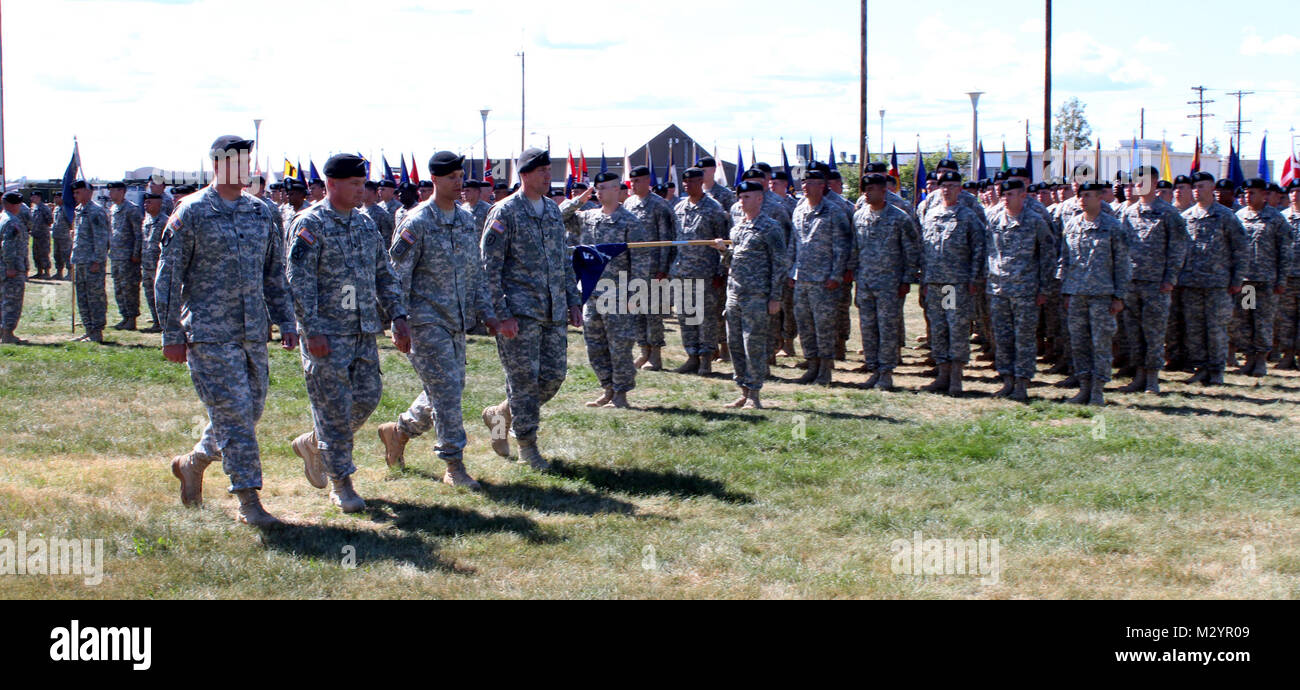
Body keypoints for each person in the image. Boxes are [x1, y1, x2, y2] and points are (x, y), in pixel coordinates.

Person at [157, 135, 299, 527]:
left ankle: (193, 463)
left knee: (248, 411)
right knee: (235, 415)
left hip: (253, 331)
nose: (246, 168)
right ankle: (248, 499)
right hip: (209, 332)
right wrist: (170, 332)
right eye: (238, 160)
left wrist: (286, 320)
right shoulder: (192, 212)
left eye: (249, 160)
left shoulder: (260, 212)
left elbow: (274, 273)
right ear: (218, 164)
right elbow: (169, 276)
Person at [286, 154, 409, 513]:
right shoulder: (310, 223)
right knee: (335, 409)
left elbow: (384, 272)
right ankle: (341, 482)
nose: (362, 191)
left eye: (363, 184)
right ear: (332, 184)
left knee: (369, 396)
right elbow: (299, 281)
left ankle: (317, 442)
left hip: (361, 329)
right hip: (326, 333)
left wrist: (398, 315)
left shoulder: (365, 224)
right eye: (355, 185)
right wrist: (311, 329)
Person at [378, 153, 498, 488]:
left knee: (447, 388)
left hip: (456, 321)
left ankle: (399, 431)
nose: (458, 183)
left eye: (461, 177)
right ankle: (453, 465)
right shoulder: (416, 222)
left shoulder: (464, 219)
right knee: (446, 389)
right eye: (451, 178)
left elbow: (475, 272)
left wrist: (486, 312)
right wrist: (397, 321)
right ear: (435, 180)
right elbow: (396, 276)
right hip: (424, 321)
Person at [479, 148, 583, 470]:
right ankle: (528, 446)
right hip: (519, 313)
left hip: (552, 309)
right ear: (524, 174)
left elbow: (563, 261)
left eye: (549, 170)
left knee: (553, 377)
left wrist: (573, 301)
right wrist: (501, 314)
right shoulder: (505, 212)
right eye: (541, 171)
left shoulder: (552, 211)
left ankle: (500, 416)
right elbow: (488, 268)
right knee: (524, 382)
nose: (548, 176)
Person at [562, 172, 650, 408]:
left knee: (619, 346)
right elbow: (560, 217)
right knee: (595, 345)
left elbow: (641, 261)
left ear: (617, 190)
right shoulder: (588, 217)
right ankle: (607, 388)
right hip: (592, 293)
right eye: (596, 188)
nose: (599, 193)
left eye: (603, 188)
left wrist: (636, 295)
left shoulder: (630, 222)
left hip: (619, 294)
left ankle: (621, 393)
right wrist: (580, 199)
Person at [1058, 182, 1130, 405]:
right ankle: (1084, 388)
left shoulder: (1112, 226)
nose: (1082, 199)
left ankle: (1098, 390)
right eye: (1080, 195)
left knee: (1101, 343)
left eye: (1088, 195)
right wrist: (1066, 291)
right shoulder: (1071, 225)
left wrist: (1119, 296)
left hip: (1102, 295)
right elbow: (1066, 260)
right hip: (1077, 294)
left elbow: (1122, 264)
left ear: (1100, 197)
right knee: (1079, 343)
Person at [1117, 166, 1187, 394]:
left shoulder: (1168, 213)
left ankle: (1152, 378)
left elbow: (1177, 249)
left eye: (1143, 180)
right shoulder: (1128, 212)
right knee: (1134, 331)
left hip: (1156, 284)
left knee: (1154, 332)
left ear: (1155, 183)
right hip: (1131, 282)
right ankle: (1139, 375)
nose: (1137, 184)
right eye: (1136, 180)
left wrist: (1170, 278)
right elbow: (1120, 248)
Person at [715, 181, 784, 409]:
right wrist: (724, 252)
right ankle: (743, 390)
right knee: (735, 344)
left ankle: (754, 393)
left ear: (759, 199)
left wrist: (775, 296)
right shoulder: (737, 228)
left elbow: (779, 264)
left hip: (757, 296)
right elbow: (731, 263)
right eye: (740, 197)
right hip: (734, 294)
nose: (742, 201)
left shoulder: (770, 228)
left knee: (752, 345)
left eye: (747, 197)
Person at [985, 180, 1055, 401]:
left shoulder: (1035, 221)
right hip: (999, 289)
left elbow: (1048, 256)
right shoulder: (994, 219)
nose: (1006, 198)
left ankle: (1022, 383)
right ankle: (1007, 380)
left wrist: (1044, 288)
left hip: (1026, 290)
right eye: (1004, 194)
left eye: (1012, 194)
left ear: (1023, 196)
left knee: (1024, 338)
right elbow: (987, 252)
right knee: (1002, 337)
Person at [849, 174, 919, 391]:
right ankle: (873, 369)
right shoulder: (859, 216)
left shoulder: (899, 218)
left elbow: (911, 250)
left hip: (890, 283)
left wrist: (907, 279)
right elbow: (855, 249)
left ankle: (886, 372)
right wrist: (855, 277)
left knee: (887, 329)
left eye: (872, 189)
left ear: (884, 191)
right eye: (865, 189)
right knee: (868, 328)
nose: (867, 193)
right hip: (866, 282)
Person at [1180, 172, 1249, 386]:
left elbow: (1241, 249)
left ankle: (1217, 370)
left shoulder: (1226, 216)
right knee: (1195, 329)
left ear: (1211, 189)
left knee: (1216, 328)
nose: (1196, 190)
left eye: (1201, 186)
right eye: (1195, 187)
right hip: (1192, 284)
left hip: (1218, 285)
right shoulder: (1187, 217)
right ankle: (1201, 368)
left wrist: (1237, 280)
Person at [919, 171, 985, 395]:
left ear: (960, 188)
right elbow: (925, 250)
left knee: (955, 328)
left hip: (954, 284)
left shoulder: (967, 216)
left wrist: (974, 278)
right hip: (935, 282)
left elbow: (978, 249)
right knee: (938, 329)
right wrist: (925, 278)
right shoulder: (931, 215)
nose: (946, 189)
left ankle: (956, 378)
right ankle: (942, 374)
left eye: (951, 185)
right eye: (943, 185)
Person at [789, 168, 851, 385]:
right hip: (802, 278)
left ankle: (825, 368)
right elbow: (793, 243)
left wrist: (836, 275)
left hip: (824, 280)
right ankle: (811, 365)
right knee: (805, 325)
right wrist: (791, 271)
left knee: (824, 326)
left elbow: (842, 247)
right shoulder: (799, 210)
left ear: (822, 185)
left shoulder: (833, 211)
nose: (805, 186)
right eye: (804, 182)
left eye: (811, 182)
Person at [669, 167, 729, 375]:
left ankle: (706, 359)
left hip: (706, 273)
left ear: (701, 181)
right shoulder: (679, 208)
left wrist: (720, 272)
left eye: (692, 181)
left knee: (705, 318)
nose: (687, 185)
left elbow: (724, 243)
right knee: (686, 317)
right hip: (682, 271)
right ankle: (692, 356)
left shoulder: (713, 208)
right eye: (685, 182)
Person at [1231, 178, 1292, 377]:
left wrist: (1281, 280)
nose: (1248, 197)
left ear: (1264, 195)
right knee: (1246, 319)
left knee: (1263, 321)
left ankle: (1261, 361)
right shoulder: (1239, 216)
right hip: (1246, 281)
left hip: (1266, 282)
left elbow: (1285, 252)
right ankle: (1249, 359)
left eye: (1253, 193)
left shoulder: (1275, 218)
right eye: (1246, 193)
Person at [622, 164, 679, 371]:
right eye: (632, 180)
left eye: (638, 181)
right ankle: (643, 351)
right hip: (633, 268)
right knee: (636, 310)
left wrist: (664, 268)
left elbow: (667, 240)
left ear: (648, 181)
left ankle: (656, 354)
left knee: (653, 312)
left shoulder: (659, 206)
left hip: (654, 268)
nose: (634, 184)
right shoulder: (628, 204)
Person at [70, 181, 110, 342]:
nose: (75, 195)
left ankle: (97, 331)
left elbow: (101, 239)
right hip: (80, 261)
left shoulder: (96, 212)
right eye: (74, 193)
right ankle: (88, 329)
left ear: (88, 192)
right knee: (82, 296)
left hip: (92, 262)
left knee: (95, 297)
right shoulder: (79, 210)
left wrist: (97, 261)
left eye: (78, 192)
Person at [106, 182, 144, 331]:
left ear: (122, 191)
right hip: (116, 256)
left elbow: (138, 234)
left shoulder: (131, 209)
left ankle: (132, 318)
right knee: (119, 288)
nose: (110, 194)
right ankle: (125, 316)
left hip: (128, 257)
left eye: (113, 191)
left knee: (130, 288)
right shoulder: (113, 208)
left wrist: (136, 253)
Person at [1277, 180, 1300, 369]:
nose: (1295, 195)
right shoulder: (1281, 218)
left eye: (1299, 191)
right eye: (1292, 191)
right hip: (1286, 277)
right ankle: (1287, 355)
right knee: (1286, 319)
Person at [1, 192, 29, 344]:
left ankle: (3, 332)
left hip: (2, 267)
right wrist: (11, 266)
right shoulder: (12, 222)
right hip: (10, 269)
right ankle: (7, 334)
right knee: (12, 301)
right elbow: (9, 246)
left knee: (3, 300)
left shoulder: (2, 218)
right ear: (14, 205)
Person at [139, 193, 169, 333]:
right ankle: (156, 321)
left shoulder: (165, 221)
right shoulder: (146, 220)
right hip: (147, 264)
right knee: (150, 294)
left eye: (149, 202)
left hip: (159, 265)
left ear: (159, 204)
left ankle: (164, 323)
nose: (146, 205)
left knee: (161, 296)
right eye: (145, 203)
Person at [27, 191, 53, 280]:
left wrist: (42, 228)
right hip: (35, 235)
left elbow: (50, 220)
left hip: (43, 235)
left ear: (39, 197)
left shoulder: (44, 208)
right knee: (36, 254)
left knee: (44, 253)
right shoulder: (34, 208)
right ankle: (39, 272)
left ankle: (46, 272)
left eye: (34, 197)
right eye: (32, 197)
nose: (32, 199)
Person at [50, 191, 73, 281]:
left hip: (65, 236)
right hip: (56, 236)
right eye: (54, 197)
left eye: (57, 197)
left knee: (67, 254)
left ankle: (70, 273)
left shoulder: (66, 209)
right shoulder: (56, 209)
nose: (55, 199)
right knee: (57, 255)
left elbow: (71, 221)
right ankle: (59, 273)